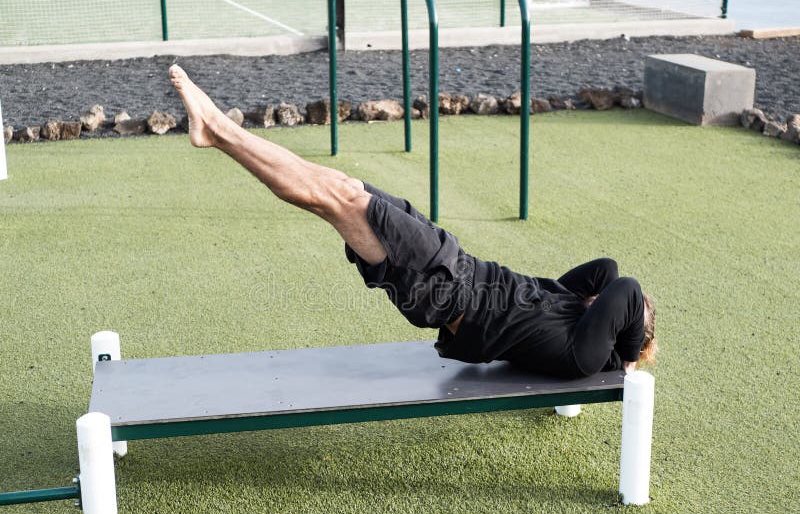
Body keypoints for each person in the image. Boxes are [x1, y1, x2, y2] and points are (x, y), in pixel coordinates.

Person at [168, 65, 656, 378]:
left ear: (619, 332)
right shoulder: (569, 311)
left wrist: (630, 361)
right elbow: (606, 271)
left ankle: (218, 129)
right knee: (339, 190)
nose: (594, 299)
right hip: (448, 271)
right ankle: (217, 133)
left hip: (446, 284)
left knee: (332, 195)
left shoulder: (583, 353)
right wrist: (602, 310)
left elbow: (626, 289)